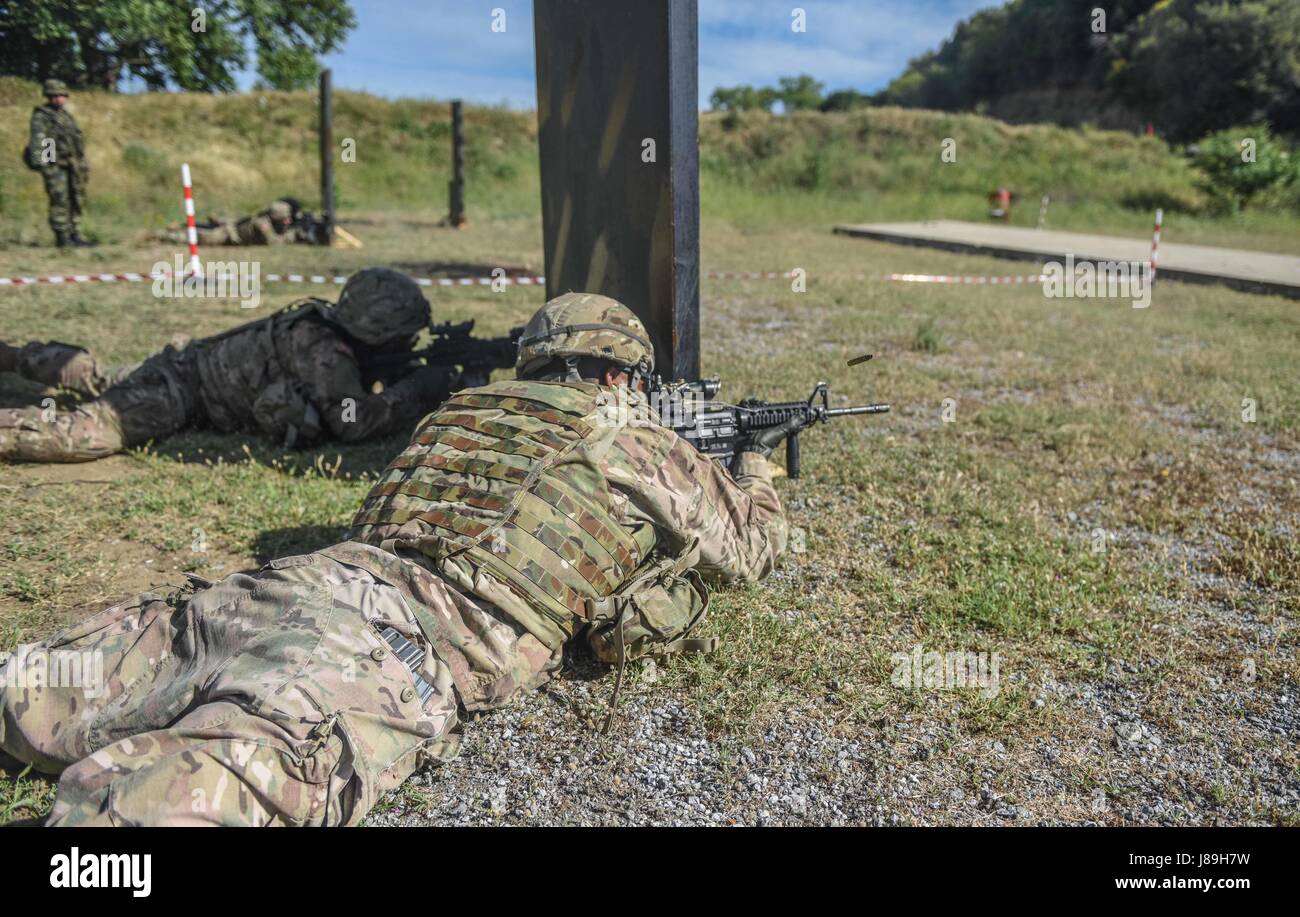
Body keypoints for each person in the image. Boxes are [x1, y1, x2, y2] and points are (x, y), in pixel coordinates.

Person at [0, 292, 798, 826]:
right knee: (175, 805)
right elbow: (754, 548)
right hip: (397, 648)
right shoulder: (636, 437)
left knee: (35, 687)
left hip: (294, 583)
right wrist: (756, 467)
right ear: (624, 374)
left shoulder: (460, 409)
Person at [0, 268, 454, 462]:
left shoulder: (323, 326)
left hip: (183, 365)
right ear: (376, 331)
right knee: (88, 432)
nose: (408, 342)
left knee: (96, 375)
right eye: (403, 337)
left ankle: (18, 356)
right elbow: (353, 423)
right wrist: (418, 389)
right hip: (178, 392)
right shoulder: (323, 350)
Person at [26, 79, 94, 248]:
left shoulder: (66, 116)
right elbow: (42, 141)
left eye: (61, 95)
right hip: (56, 165)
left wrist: (81, 162)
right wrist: (48, 167)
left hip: (73, 165)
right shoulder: (43, 116)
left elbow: (76, 141)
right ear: (48, 97)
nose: (58, 99)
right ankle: (62, 236)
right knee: (60, 199)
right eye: (54, 96)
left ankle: (75, 233)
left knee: (76, 199)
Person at [157, 199, 319, 247]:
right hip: (227, 235)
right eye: (285, 219)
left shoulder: (268, 221)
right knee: (196, 238)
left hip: (231, 227)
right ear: (277, 218)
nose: (288, 221)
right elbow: (273, 243)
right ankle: (163, 236)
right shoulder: (263, 224)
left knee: (199, 230)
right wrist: (294, 236)